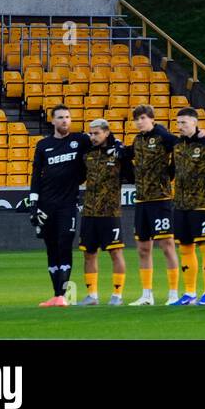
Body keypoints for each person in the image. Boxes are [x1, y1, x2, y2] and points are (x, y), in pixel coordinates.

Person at [25, 105, 88, 307]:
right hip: (46, 204)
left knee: (64, 246)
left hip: (67, 205)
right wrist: (34, 203)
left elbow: (100, 142)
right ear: (52, 121)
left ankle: (63, 294)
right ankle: (56, 295)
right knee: (51, 248)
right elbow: (36, 175)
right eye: (60, 117)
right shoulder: (43, 145)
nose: (64, 121)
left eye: (68, 117)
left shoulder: (80, 140)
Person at [120, 104, 181, 305]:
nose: (139, 122)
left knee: (167, 246)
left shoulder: (162, 135)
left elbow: (180, 147)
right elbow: (126, 157)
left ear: (152, 119)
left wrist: (170, 174)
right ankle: (147, 295)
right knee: (143, 248)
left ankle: (173, 294)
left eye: (143, 118)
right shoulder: (138, 140)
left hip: (161, 199)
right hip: (142, 200)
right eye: (136, 119)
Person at [170, 107, 205, 305]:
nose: (180, 126)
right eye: (178, 122)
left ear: (195, 122)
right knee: (185, 248)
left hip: (202, 204)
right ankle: (189, 293)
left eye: (184, 122)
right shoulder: (177, 145)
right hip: (181, 204)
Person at [77, 118, 127, 306]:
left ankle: (117, 295)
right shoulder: (87, 154)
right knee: (88, 253)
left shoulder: (118, 153)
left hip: (110, 212)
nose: (93, 136)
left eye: (96, 133)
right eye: (91, 133)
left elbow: (130, 171)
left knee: (115, 253)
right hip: (89, 212)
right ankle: (92, 295)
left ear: (106, 132)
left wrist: (120, 148)